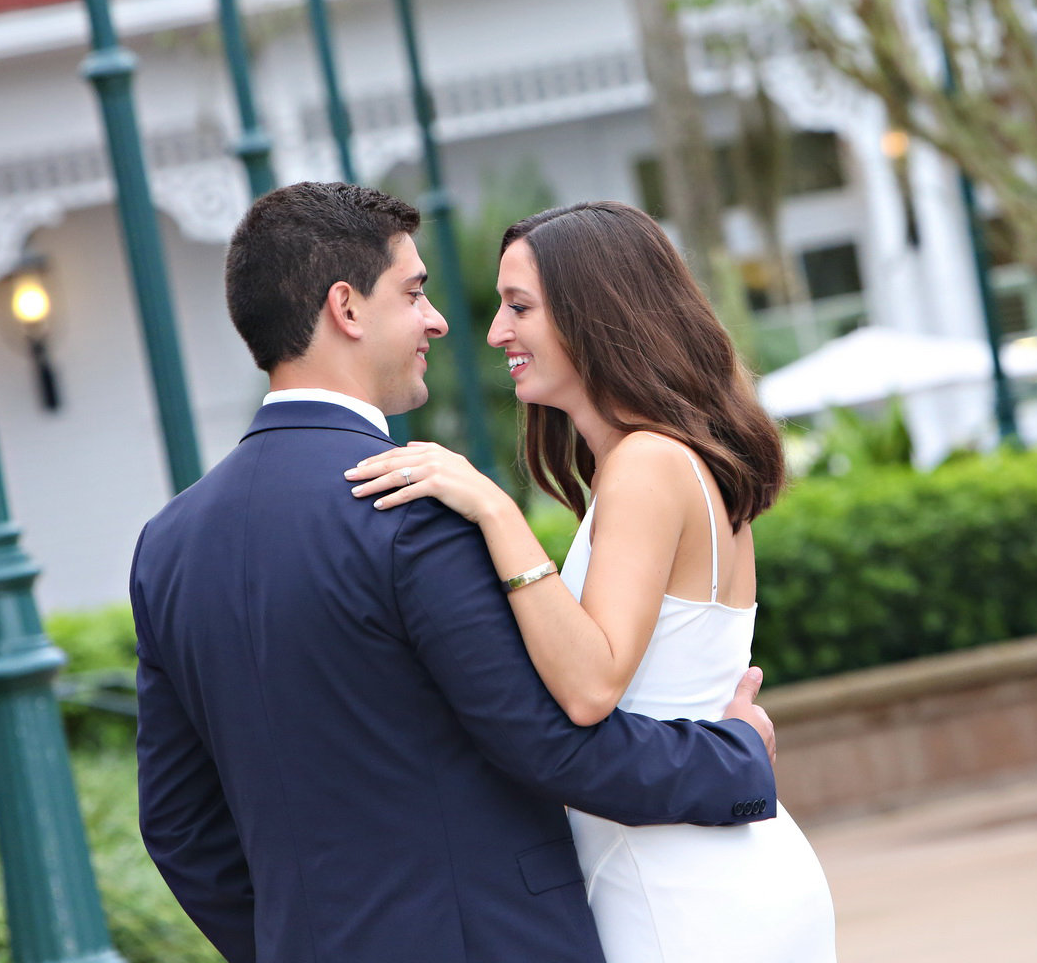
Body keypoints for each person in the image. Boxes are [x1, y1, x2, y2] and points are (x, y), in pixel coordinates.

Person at [130, 183, 779, 963]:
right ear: (346, 307)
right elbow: (547, 743)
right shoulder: (413, 508)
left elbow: (178, 826)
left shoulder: (166, 546)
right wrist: (733, 755)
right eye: (414, 294)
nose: (440, 320)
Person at [348, 200, 837, 963]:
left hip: (681, 891)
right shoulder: (655, 460)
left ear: (595, 313)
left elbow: (590, 686)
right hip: (697, 863)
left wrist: (493, 510)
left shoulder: (648, 462)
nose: (496, 333)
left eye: (520, 308)